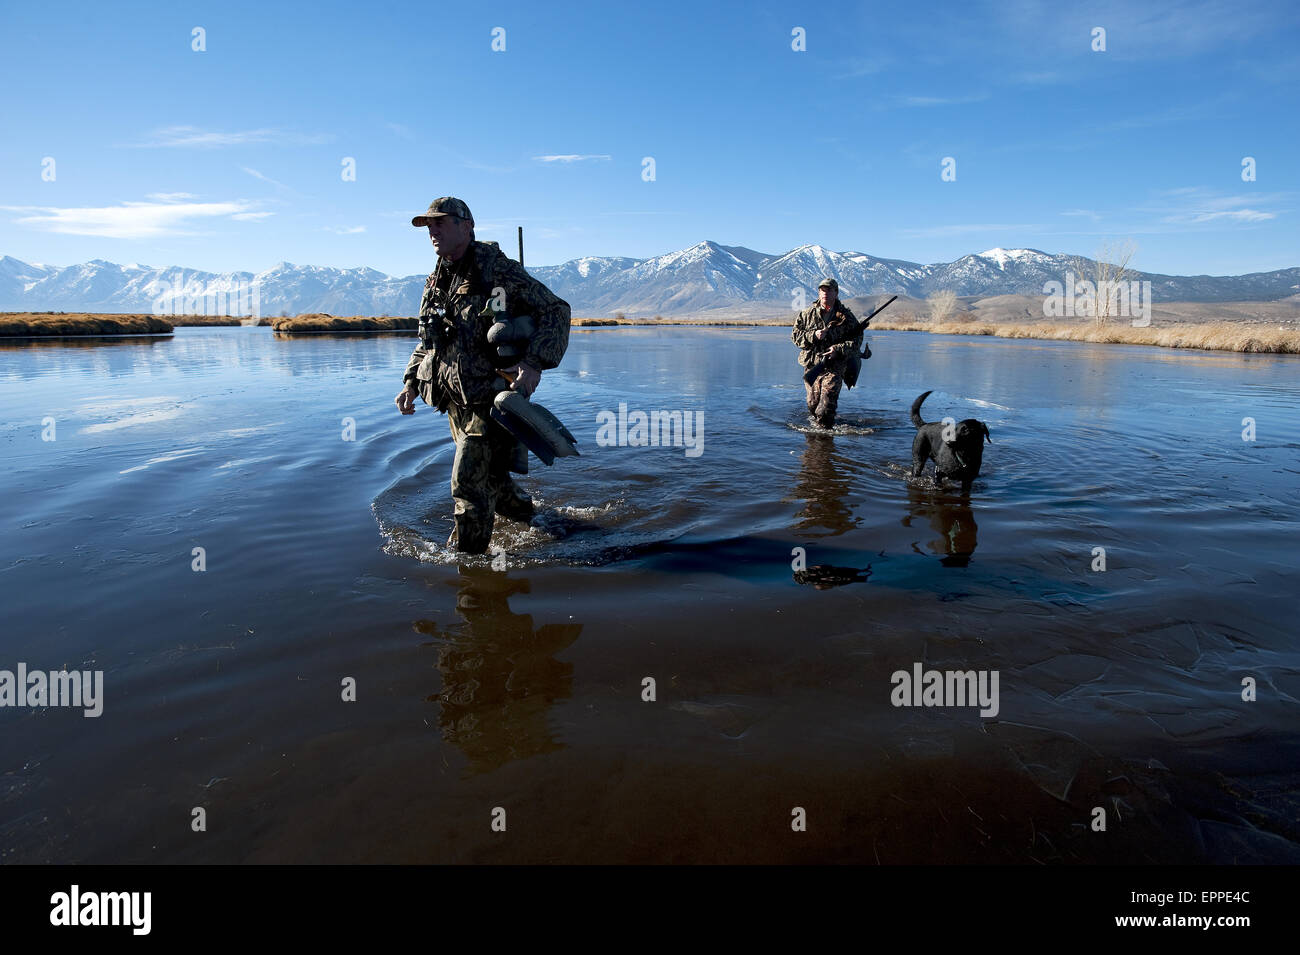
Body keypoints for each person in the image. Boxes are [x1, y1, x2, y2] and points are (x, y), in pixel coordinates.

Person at [394, 197, 571, 554]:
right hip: (455, 402)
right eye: (428, 225)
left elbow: (556, 309)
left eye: (440, 222)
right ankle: (551, 524)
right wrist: (410, 382)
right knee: (495, 485)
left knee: (468, 489)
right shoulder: (436, 280)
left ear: (466, 226)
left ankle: (467, 572)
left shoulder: (497, 271)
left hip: (490, 404)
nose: (433, 230)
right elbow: (427, 340)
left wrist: (534, 363)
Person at [791, 277, 863, 429]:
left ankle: (824, 437)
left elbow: (857, 342)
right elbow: (796, 338)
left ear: (836, 293)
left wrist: (838, 349)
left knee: (827, 404)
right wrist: (814, 335)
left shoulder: (846, 317)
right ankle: (817, 443)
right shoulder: (806, 314)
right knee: (812, 404)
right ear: (818, 292)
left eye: (829, 290)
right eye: (822, 290)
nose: (825, 293)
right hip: (812, 364)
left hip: (835, 365)